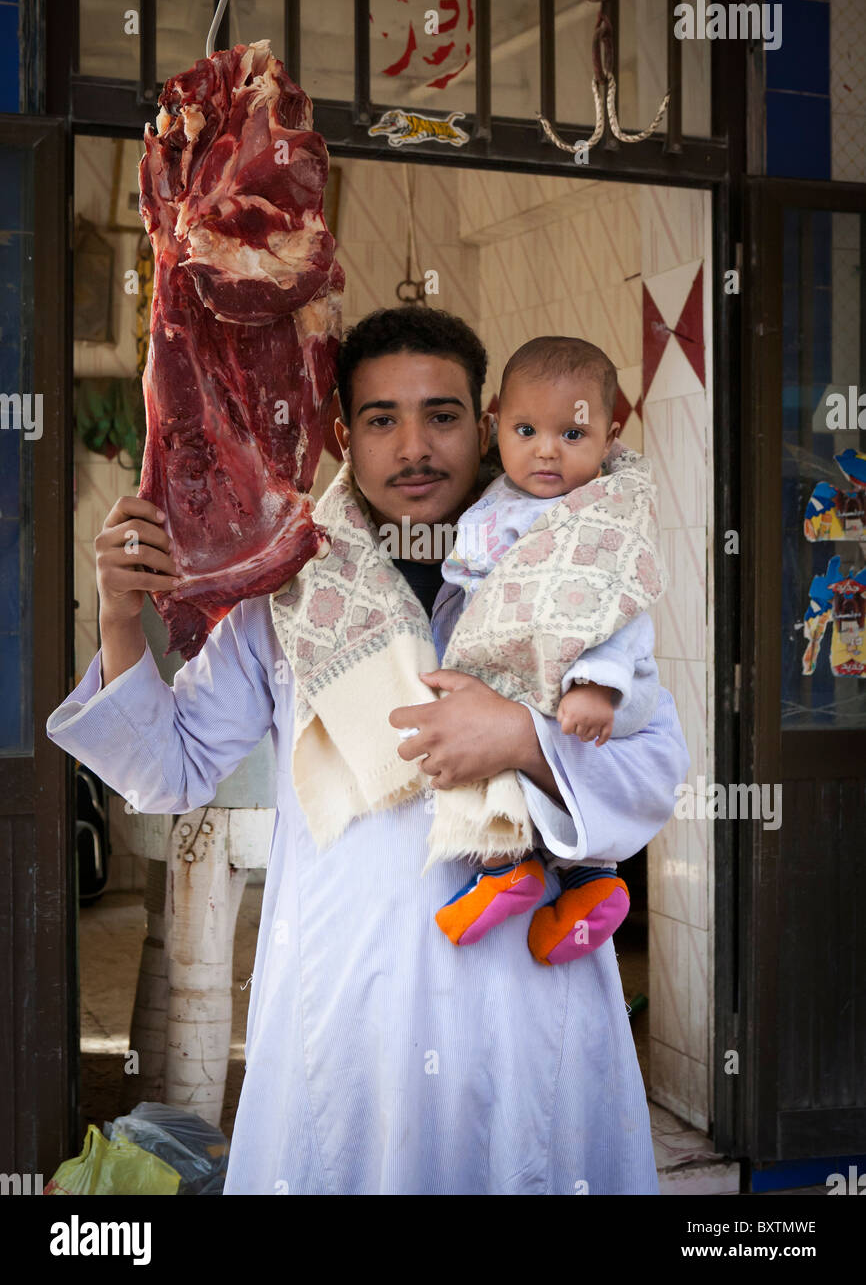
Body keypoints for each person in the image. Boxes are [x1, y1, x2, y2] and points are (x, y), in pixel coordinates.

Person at [47, 305, 690, 1195]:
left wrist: (521, 738)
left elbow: (654, 770)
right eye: (382, 419)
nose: (414, 446)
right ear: (344, 434)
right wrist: (120, 616)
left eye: (443, 414)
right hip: (349, 1009)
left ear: (490, 419)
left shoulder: (578, 567)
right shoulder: (289, 591)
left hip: (528, 1003)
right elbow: (171, 768)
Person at [433, 335, 665, 963]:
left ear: (611, 436)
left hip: (592, 677)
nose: (545, 450)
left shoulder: (604, 513)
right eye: (527, 428)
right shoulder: (493, 503)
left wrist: (597, 681)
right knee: (497, 757)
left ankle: (580, 879)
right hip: (520, 669)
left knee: (566, 759)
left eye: (572, 435)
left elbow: (618, 606)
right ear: (494, 426)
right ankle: (514, 871)